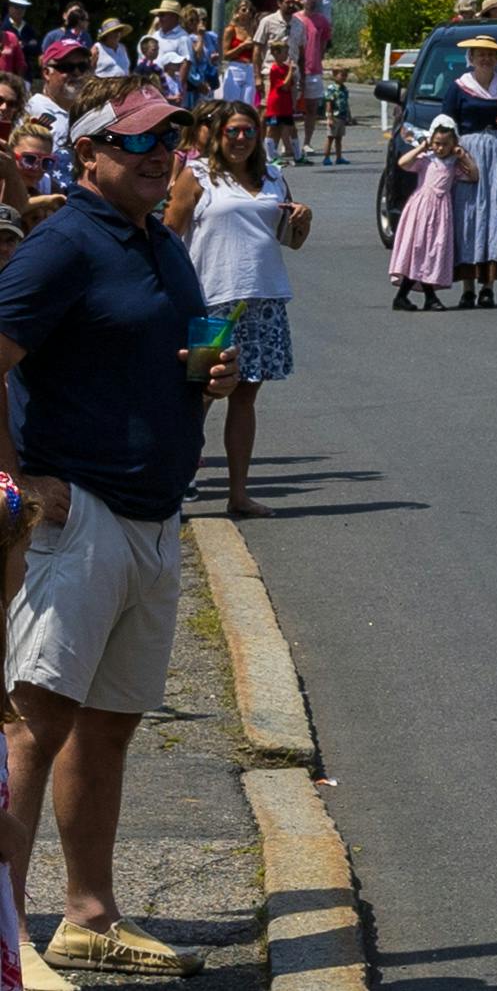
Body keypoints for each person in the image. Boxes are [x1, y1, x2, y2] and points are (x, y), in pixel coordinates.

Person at [0, 87, 235, 978]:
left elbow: (151, 345)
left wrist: (203, 375)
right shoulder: (63, 243)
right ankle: (4, 942)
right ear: (88, 152)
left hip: (153, 513)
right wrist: (17, 478)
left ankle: (89, 913)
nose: (157, 150)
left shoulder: (158, 240)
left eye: (169, 136)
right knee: (35, 725)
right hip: (80, 514)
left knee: (108, 726)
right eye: (135, 137)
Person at [173, 108, 306, 522]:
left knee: (244, 397)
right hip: (212, 299)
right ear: (217, 135)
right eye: (233, 131)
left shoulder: (272, 177)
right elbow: (169, 234)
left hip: (263, 299)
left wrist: (304, 219)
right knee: (201, 397)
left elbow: (291, 241)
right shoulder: (197, 175)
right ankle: (175, 487)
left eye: (249, 130)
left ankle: (239, 495)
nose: (241, 138)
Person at [430, 34, 497, 309]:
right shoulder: (459, 87)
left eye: (490, 54)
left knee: (496, 214)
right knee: (469, 215)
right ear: (471, 58)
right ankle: (467, 287)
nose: (485, 58)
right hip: (469, 152)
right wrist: (453, 154)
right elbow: (445, 123)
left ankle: (488, 287)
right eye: (479, 54)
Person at [385, 110, 466, 309]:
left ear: (453, 143)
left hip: (440, 212)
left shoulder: (453, 164)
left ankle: (407, 297)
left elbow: (472, 175)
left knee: (432, 251)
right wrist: (423, 145)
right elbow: (403, 163)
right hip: (421, 209)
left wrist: (462, 156)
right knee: (420, 249)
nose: (440, 148)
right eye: (437, 143)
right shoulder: (426, 160)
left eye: (445, 144)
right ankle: (428, 298)